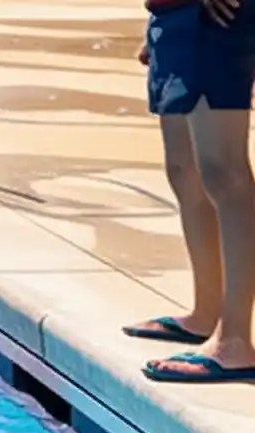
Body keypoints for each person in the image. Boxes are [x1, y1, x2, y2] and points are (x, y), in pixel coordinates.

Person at [125, 0, 255, 382]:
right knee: (184, 169)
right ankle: (206, 312)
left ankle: (234, 341)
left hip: (216, 20)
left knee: (223, 170)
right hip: (177, 14)